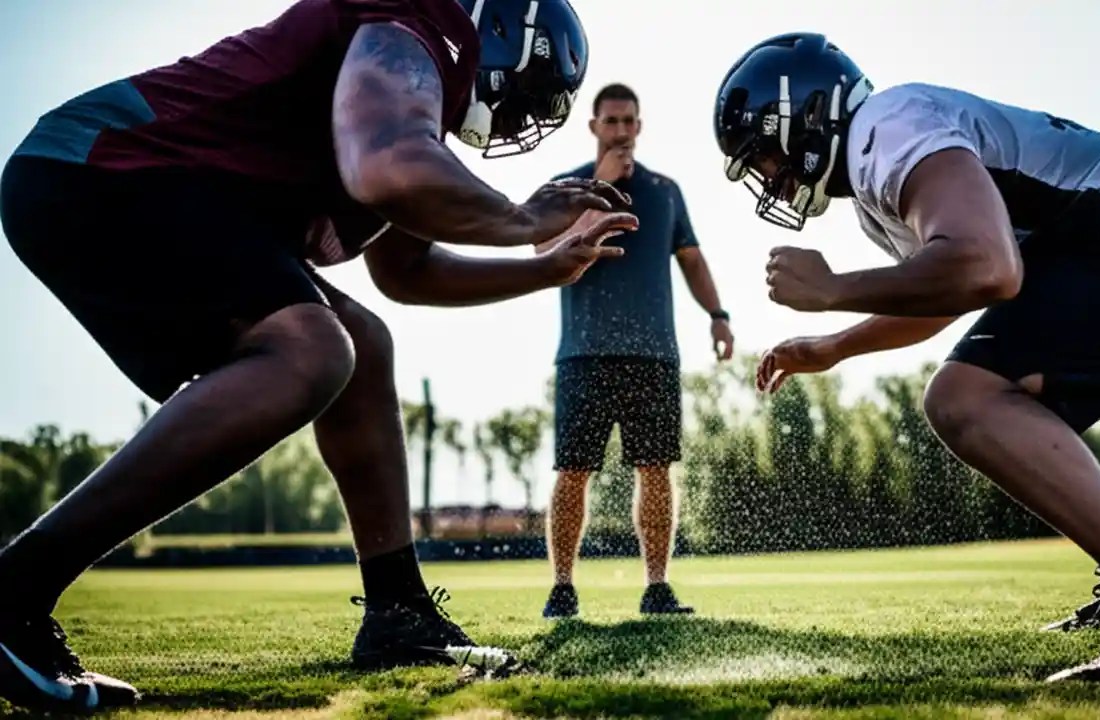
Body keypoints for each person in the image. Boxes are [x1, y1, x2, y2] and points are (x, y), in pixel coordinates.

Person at [0, 0, 638, 712]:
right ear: (500, 33)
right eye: (532, 87)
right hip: (104, 165)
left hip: (141, 183)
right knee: (314, 348)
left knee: (361, 346)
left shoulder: (404, 107)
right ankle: (15, 589)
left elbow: (408, 272)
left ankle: (399, 614)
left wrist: (546, 264)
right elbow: (389, 172)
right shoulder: (422, 27)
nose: (523, 117)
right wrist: (521, 221)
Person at [713, 32, 1100, 683]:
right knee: (999, 401)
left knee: (963, 398)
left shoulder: (885, 125)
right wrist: (833, 347)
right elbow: (950, 289)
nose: (770, 176)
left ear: (801, 114)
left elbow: (987, 268)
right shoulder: (875, 182)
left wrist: (833, 290)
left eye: (765, 156)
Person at [535, 84, 734, 619]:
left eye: (629, 121)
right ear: (594, 126)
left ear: (640, 126)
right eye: (611, 121)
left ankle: (657, 587)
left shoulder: (666, 191)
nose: (621, 131)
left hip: (653, 355)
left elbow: (692, 259)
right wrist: (597, 192)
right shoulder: (566, 189)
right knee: (572, 471)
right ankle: (561, 588)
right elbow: (543, 252)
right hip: (584, 353)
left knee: (655, 469)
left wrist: (718, 316)